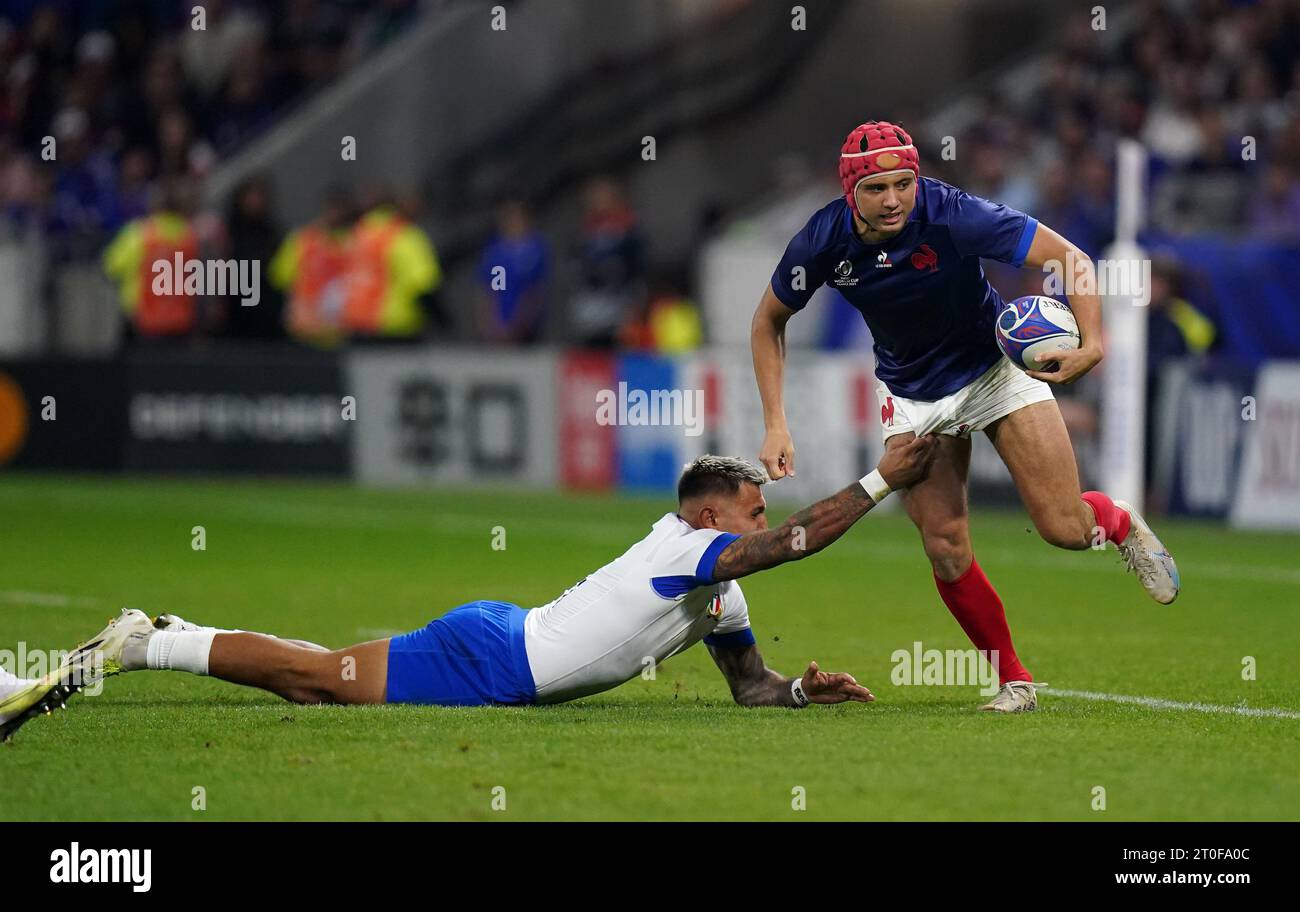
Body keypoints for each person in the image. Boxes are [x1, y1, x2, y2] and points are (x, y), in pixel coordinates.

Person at [1, 438, 938, 741]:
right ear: (703, 516)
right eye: (748, 508)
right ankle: (144, 640)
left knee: (317, 677)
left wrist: (806, 692)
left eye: (761, 509)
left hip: (507, 639)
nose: (761, 519)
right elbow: (789, 545)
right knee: (313, 680)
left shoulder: (718, 591)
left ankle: (153, 635)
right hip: (494, 657)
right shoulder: (679, 550)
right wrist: (881, 481)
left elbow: (750, 688)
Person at [751, 120, 1181, 713]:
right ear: (850, 191)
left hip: (995, 372)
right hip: (913, 397)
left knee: (1065, 530)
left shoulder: (952, 213)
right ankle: (1016, 682)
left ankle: (1116, 519)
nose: (894, 199)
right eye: (877, 189)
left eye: (904, 183)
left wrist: (1093, 344)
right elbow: (768, 321)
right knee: (946, 546)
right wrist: (776, 421)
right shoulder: (821, 241)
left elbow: (1070, 258)